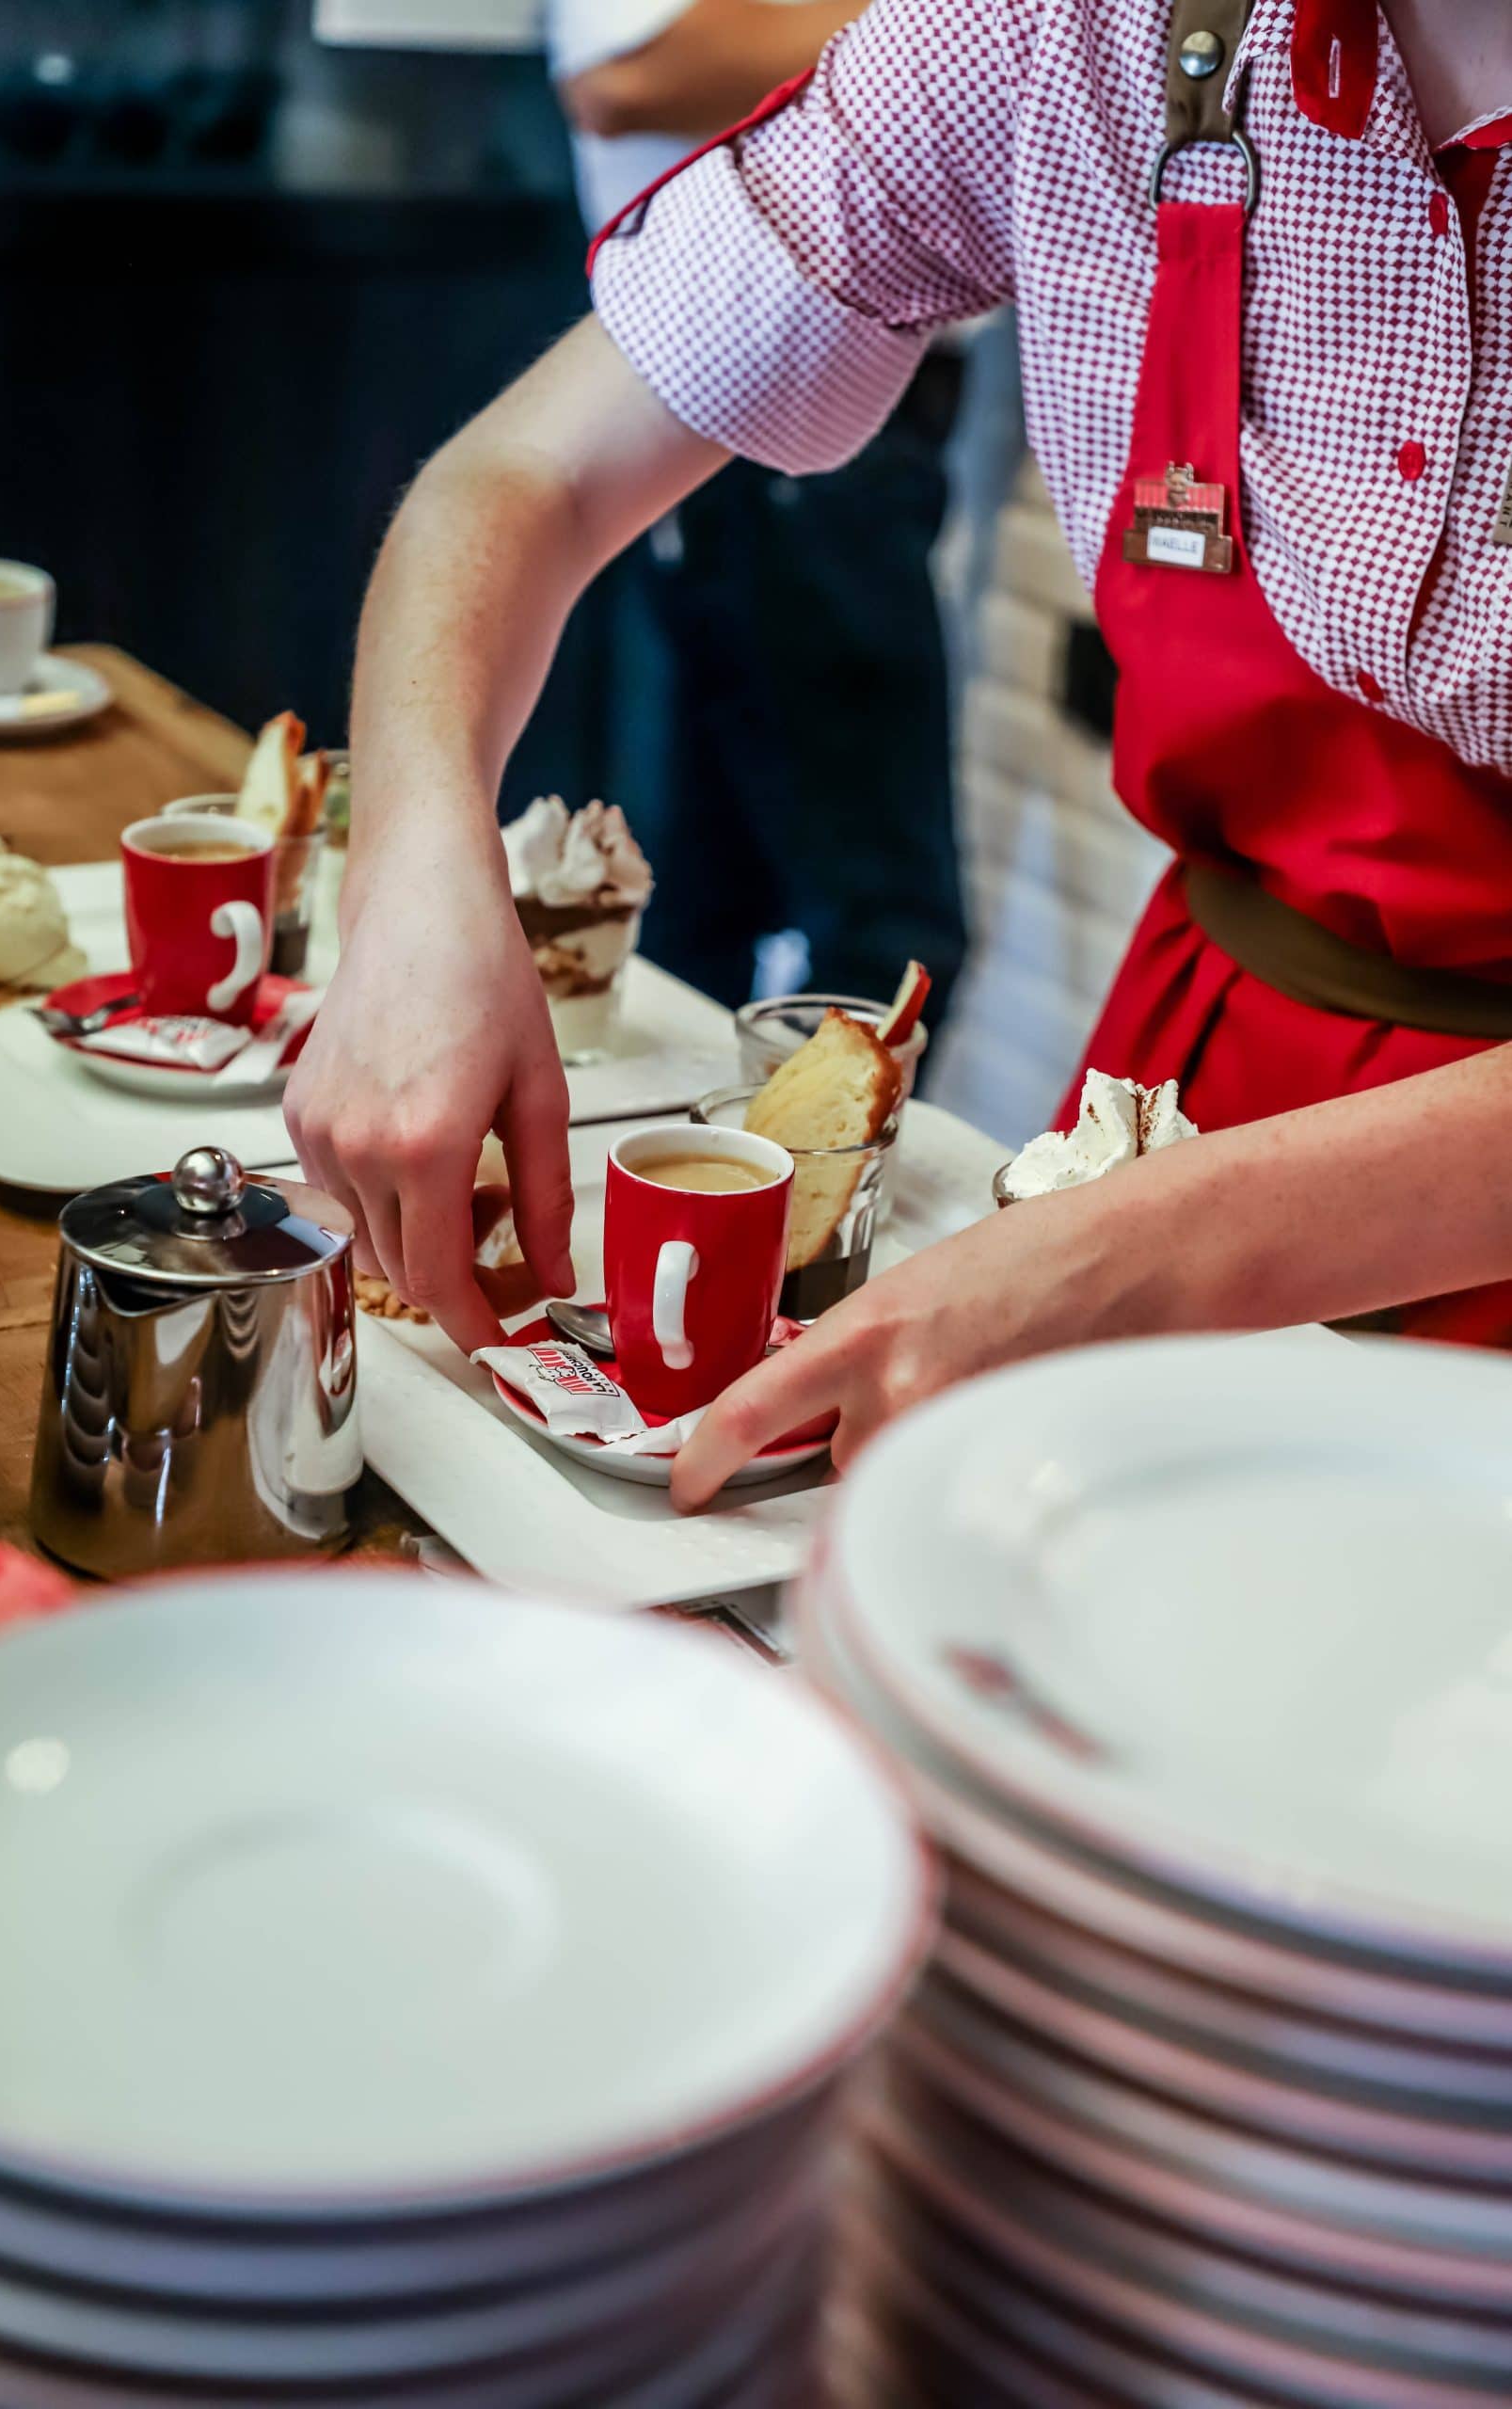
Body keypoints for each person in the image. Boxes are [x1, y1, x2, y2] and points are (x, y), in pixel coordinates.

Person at [288, 0, 1512, 1508]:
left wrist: (1135, 1254)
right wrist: (413, 892)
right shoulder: (1073, 35)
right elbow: (522, 472)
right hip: (1197, 1086)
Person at [549, 0, 969, 1025]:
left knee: (702, 902)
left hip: (797, 421)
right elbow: (624, 72)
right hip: (780, 406)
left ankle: (704, 1135)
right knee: (885, 928)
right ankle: (797, 1137)